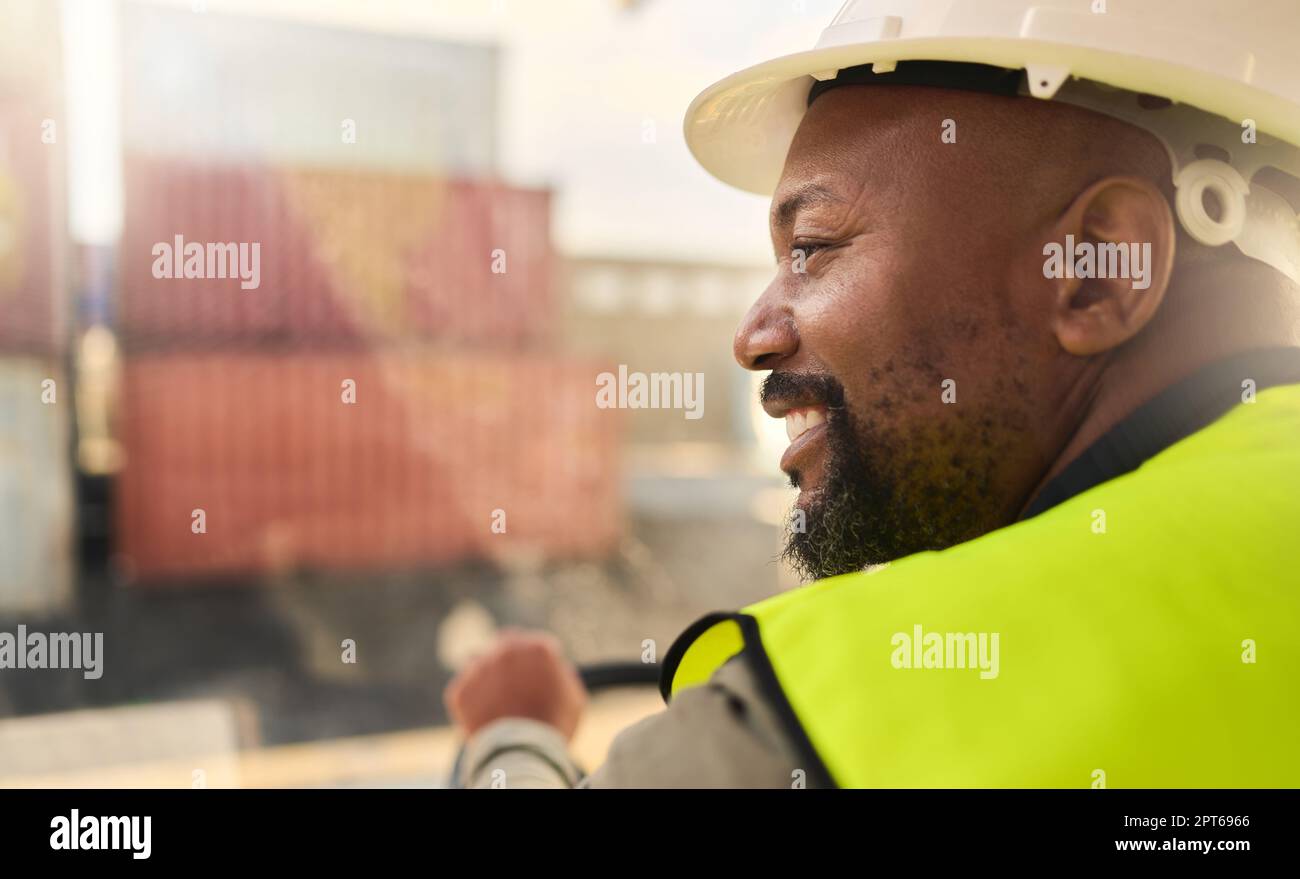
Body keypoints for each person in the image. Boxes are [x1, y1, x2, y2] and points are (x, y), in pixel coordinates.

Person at [444, 0, 1300, 788]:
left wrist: (512, 737)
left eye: (813, 246)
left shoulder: (840, 712)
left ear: (1094, 270)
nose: (754, 336)